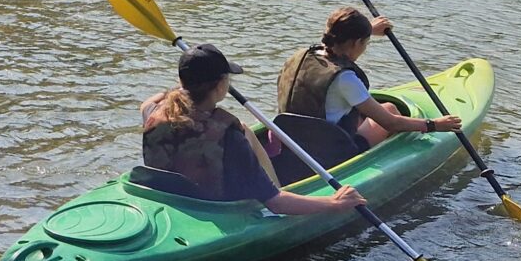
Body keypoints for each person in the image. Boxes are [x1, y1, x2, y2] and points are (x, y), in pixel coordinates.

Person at [136, 44, 366, 215]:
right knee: (244, 132)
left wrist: (179, 89)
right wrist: (335, 203)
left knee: (246, 128)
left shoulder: (153, 113)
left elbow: (148, 104)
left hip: (174, 200)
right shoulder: (228, 135)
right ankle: (279, 182)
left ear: (181, 81)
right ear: (221, 85)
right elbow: (275, 203)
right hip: (219, 209)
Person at [278, 7, 462, 150]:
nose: (364, 48)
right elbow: (390, 122)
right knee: (390, 109)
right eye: (365, 43)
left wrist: (368, 30)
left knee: (359, 113)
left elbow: (333, 40)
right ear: (356, 42)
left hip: (287, 138)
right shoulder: (345, 79)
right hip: (325, 150)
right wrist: (434, 125)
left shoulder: (302, 55)